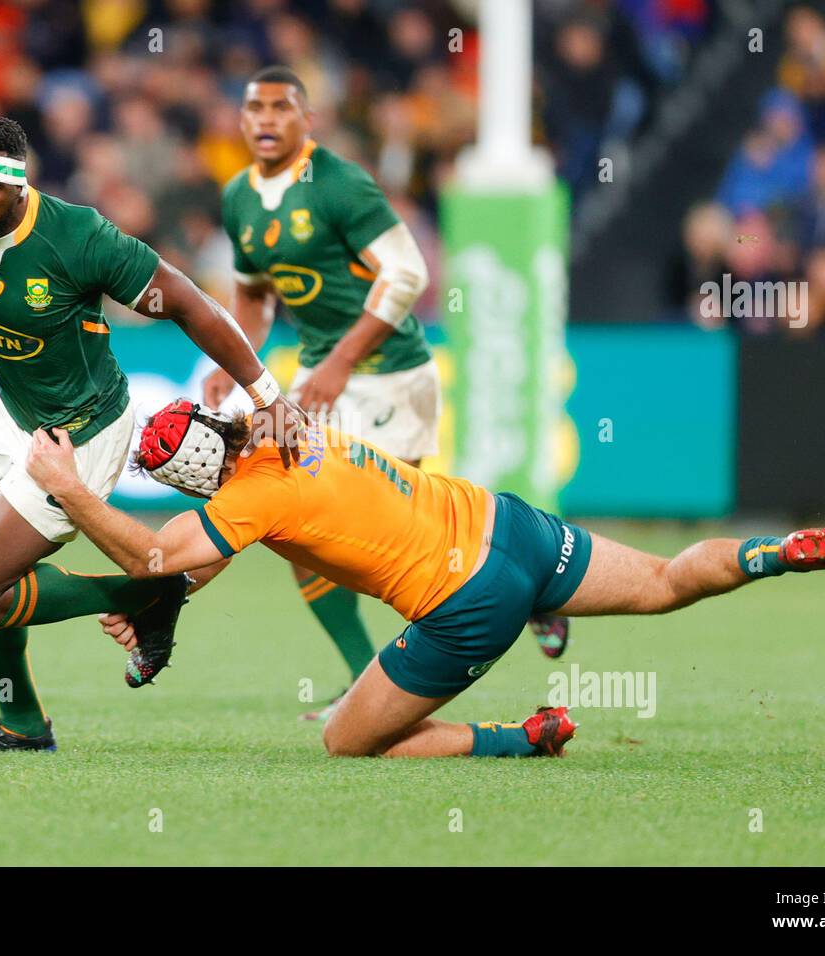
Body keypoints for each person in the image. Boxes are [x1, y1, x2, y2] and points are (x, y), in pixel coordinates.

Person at [24, 399, 825, 759]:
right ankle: (779, 550)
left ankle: (523, 739)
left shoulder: (249, 498)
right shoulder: (292, 426)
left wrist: (69, 492)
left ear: (185, 479)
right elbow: (192, 565)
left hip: (467, 601)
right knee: (664, 582)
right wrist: (163, 600)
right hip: (508, 524)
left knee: (346, 741)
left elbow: (152, 556)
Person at [0, 117, 305, 753]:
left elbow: (187, 301)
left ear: (19, 190)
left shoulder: (78, 238)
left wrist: (268, 395)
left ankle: (149, 591)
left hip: (83, 431)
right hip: (14, 414)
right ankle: (21, 723)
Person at [202, 67, 568, 716]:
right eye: (253, 107)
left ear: (306, 120)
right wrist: (238, 360)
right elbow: (255, 296)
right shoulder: (238, 197)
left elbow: (408, 272)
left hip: (393, 375)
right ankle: (359, 678)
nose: (264, 118)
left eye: (281, 107)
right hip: (320, 387)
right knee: (302, 533)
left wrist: (343, 359)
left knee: (405, 535)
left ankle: (534, 587)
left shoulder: (339, 184)